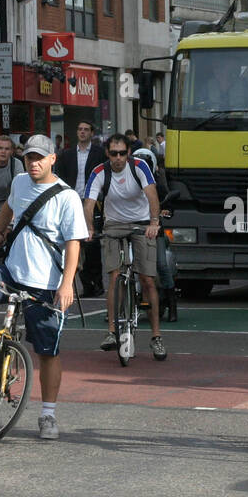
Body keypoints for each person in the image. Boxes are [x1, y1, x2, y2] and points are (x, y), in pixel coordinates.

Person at [0, 135, 85, 439]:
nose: (33, 163)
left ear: (52, 159)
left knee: (48, 352)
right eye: (29, 158)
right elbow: (10, 207)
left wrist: (66, 284)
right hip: (10, 271)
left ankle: (48, 415)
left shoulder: (67, 196)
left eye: (39, 158)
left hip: (45, 284)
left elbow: (73, 243)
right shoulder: (21, 182)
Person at [82, 132, 167, 360]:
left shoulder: (139, 167)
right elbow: (89, 203)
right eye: (113, 153)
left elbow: (152, 196)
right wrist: (88, 228)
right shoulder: (100, 172)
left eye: (122, 153)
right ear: (107, 154)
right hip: (114, 225)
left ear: (128, 153)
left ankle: (156, 336)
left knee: (148, 279)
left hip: (141, 224)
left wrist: (154, 223)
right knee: (114, 276)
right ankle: (112, 331)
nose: (118, 158)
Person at [59, 119, 106, 295]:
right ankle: (85, 284)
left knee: (91, 244)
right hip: (72, 201)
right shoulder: (67, 154)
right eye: (80, 129)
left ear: (92, 133)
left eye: (86, 129)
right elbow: (61, 176)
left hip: (92, 202)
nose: (82, 132)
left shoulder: (99, 153)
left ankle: (96, 283)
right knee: (74, 241)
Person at [134, 146, 178, 320]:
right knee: (125, 265)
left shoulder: (158, 186)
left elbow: (169, 205)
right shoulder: (130, 186)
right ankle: (118, 306)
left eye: (146, 163)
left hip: (154, 232)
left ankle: (172, 305)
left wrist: (166, 210)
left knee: (161, 264)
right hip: (134, 230)